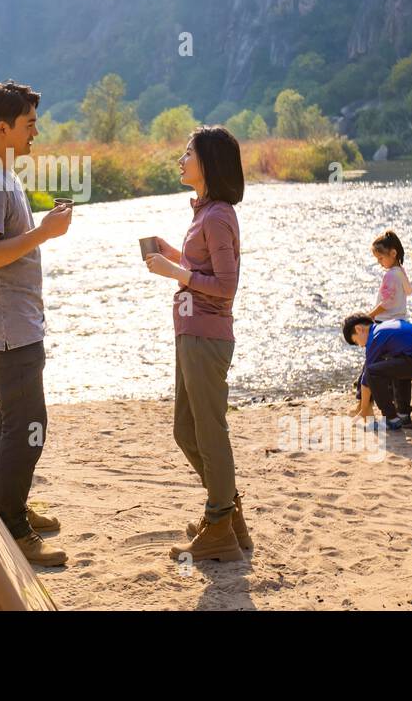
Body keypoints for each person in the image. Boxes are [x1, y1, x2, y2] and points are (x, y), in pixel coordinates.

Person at [0, 80, 72, 567]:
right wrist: (44, 233)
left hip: (11, 321)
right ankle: (13, 527)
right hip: (9, 326)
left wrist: (38, 230)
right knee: (30, 423)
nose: (35, 134)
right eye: (28, 126)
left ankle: (7, 507)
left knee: (13, 420)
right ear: (2, 129)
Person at [144, 125, 250, 563]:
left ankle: (220, 523)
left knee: (209, 431)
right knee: (186, 430)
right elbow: (201, 263)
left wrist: (176, 274)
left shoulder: (219, 214)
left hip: (206, 335)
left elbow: (226, 286)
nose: (181, 159)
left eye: (188, 153)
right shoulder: (205, 214)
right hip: (191, 332)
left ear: (208, 163)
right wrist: (175, 255)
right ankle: (228, 516)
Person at [342, 313, 412, 430]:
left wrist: (364, 409)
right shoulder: (385, 326)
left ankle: (391, 419)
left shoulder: (375, 336)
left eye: (356, 342)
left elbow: (367, 378)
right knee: (396, 365)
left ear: (359, 329)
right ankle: (403, 415)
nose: (360, 346)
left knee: (371, 371)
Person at [366, 230, 411, 322]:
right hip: (400, 319)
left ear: (393, 253)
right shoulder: (401, 271)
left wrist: (370, 315)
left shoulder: (390, 275)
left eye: (380, 258)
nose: (379, 262)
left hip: (385, 320)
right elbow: (409, 291)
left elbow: (387, 302)